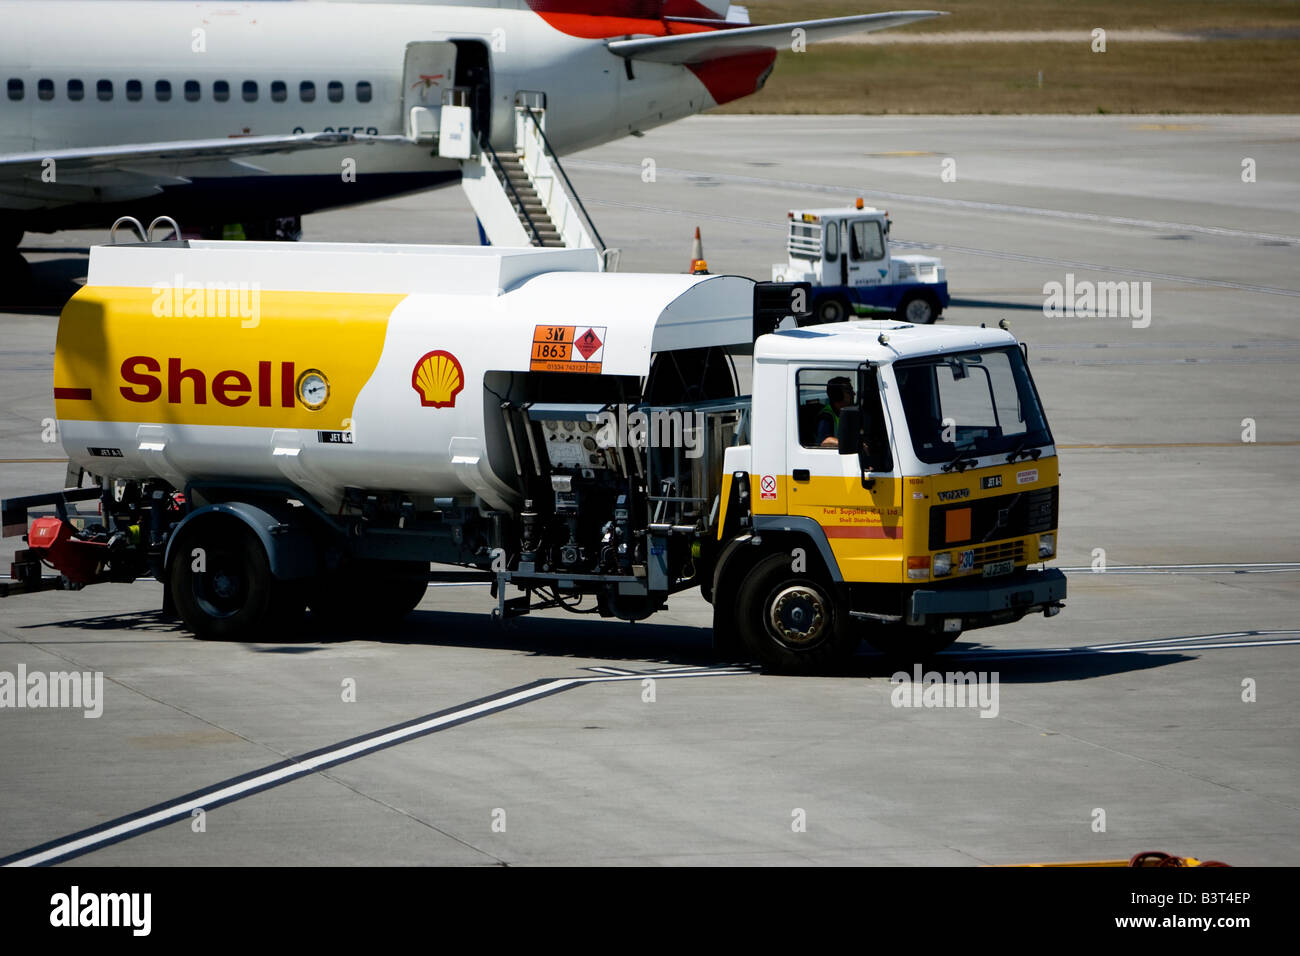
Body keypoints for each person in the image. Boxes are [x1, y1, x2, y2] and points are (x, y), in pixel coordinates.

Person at [816, 377, 854, 447]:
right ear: (838, 395)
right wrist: (852, 444)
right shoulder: (826, 416)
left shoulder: (843, 412)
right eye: (849, 391)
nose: (854, 394)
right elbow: (825, 441)